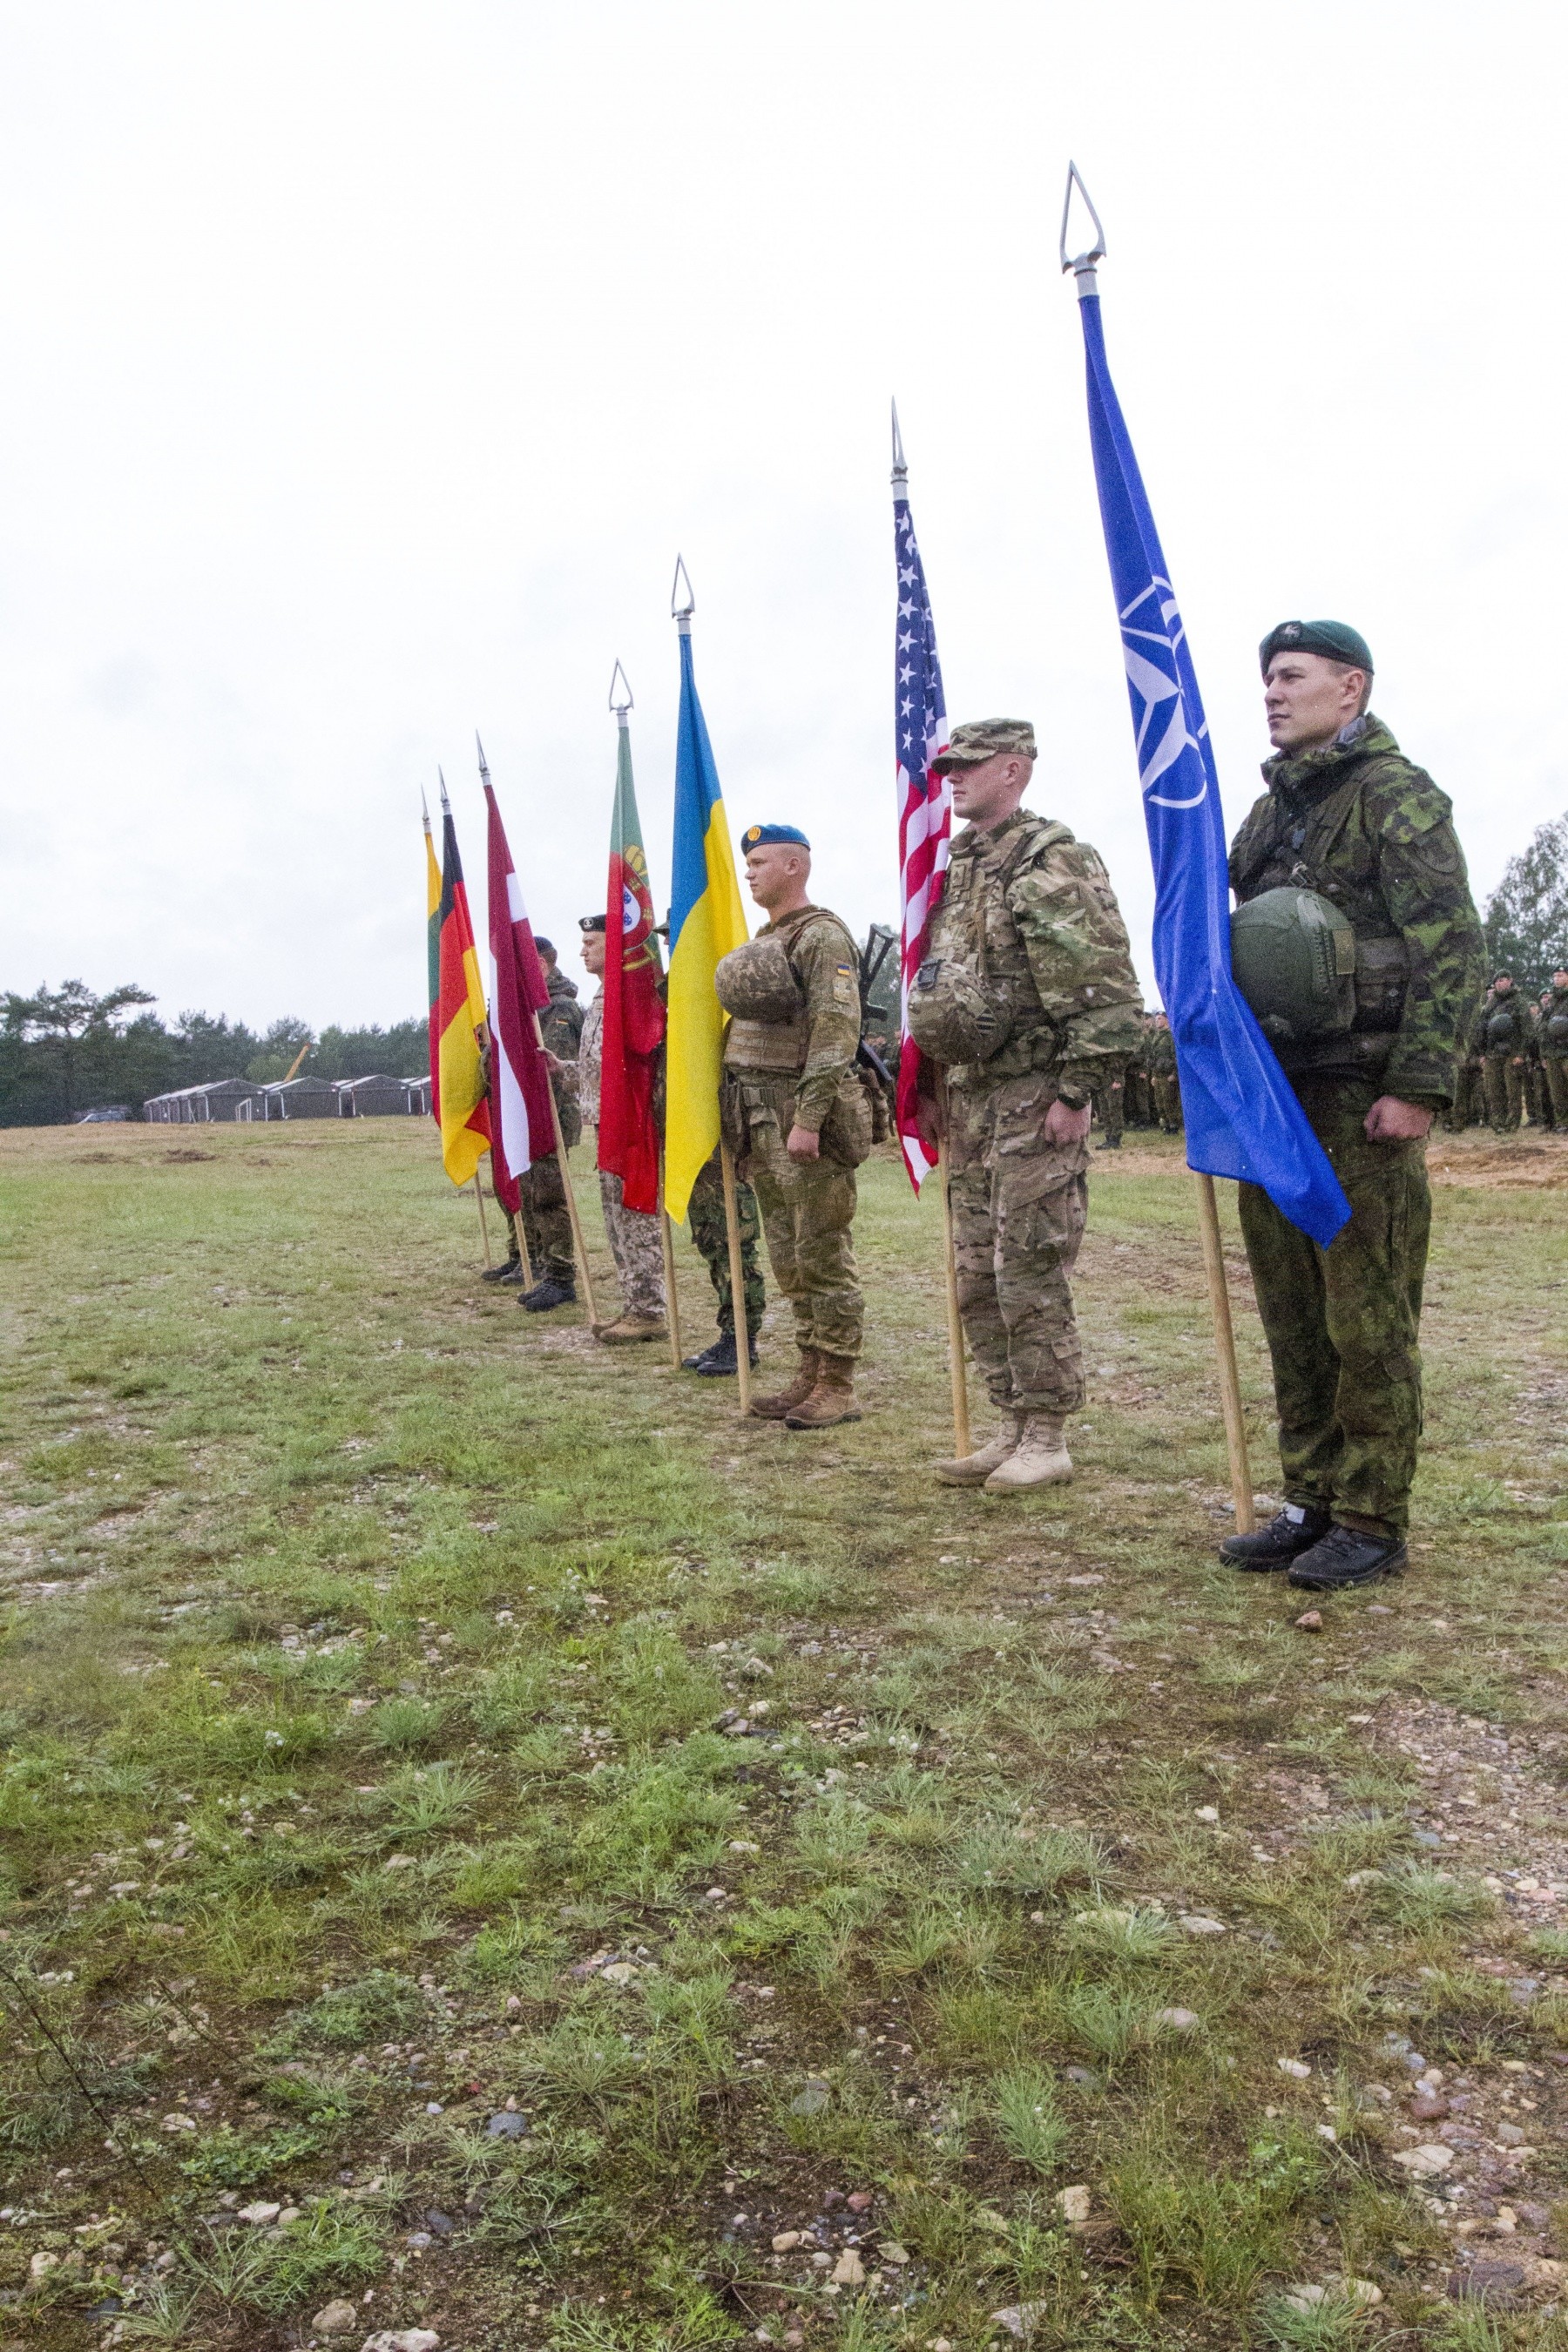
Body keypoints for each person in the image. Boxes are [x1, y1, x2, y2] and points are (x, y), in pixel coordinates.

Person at [1221, 620, 1484, 1592]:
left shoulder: (1394, 796)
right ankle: (1310, 1501)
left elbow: (1449, 945)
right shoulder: (1266, 813)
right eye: (1268, 680)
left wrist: (1419, 1086)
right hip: (1276, 1102)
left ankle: (1373, 1515)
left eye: (1292, 677)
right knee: (1292, 1311)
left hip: (1360, 1096)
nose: (1273, 693)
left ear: (1351, 687)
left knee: (1365, 1316)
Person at [905, 719, 1142, 1491]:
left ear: (1015, 770)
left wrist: (1076, 1093)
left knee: (1028, 1264)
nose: (953, 777)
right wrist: (937, 1087)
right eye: (949, 766)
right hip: (974, 1099)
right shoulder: (965, 867)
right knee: (975, 1270)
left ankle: (1048, 1431)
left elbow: (1107, 992)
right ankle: (1009, 1421)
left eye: (969, 765)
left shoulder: (1051, 860)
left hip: (1036, 1096)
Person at [716, 823, 869, 1429]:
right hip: (759, 1118)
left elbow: (836, 1031)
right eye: (747, 862)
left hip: (801, 1122)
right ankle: (808, 1371)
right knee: (787, 1255)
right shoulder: (770, 937)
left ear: (794, 867)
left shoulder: (823, 936)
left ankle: (838, 1382)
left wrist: (807, 1120)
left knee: (822, 1250)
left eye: (759, 862)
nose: (748, 871)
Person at [574, 916, 667, 1342]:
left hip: (631, 1122)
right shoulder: (600, 997)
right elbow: (602, 1063)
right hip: (604, 1121)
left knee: (635, 1217)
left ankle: (649, 1310)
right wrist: (564, 1069)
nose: (582, 951)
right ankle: (633, 1304)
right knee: (615, 1220)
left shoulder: (630, 995)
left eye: (591, 943)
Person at [517, 936, 585, 1312]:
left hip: (554, 1116)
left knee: (550, 1197)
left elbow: (562, 1068)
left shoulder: (562, 1009)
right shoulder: (530, 1008)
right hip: (531, 1115)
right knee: (532, 1194)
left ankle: (560, 1276)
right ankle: (545, 1268)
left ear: (541, 964)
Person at [683, 1150, 765, 1375]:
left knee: (736, 1254)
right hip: (702, 1161)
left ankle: (743, 1340)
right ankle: (730, 1334)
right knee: (713, 1248)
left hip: (728, 1151)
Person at [1481, 972, 1530, 1133]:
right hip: (1492, 1053)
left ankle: (1512, 1124)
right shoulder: (1490, 1003)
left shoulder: (1519, 1002)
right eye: (1496, 981)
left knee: (1512, 1091)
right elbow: (1482, 1028)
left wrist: (1521, 1054)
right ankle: (1498, 1123)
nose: (1499, 984)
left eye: (1502, 980)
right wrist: (1482, 1053)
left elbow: (1527, 1030)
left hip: (1512, 1052)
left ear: (1510, 981)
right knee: (1494, 1091)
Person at [1542, 967, 1568, 1132]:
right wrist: (1544, 1053)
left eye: (1561, 975)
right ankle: (1563, 1123)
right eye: (1555, 976)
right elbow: (1543, 1028)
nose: (1557, 978)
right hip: (1552, 1052)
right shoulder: (1551, 1001)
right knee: (1557, 1092)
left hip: (1567, 1050)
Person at [1146, 1010, 1181, 1132]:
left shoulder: (1170, 1035)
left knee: (1169, 1101)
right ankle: (1165, 1124)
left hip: (1168, 1074)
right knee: (1159, 1102)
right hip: (1158, 1073)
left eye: (1160, 1019)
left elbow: (1175, 1056)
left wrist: (1174, 1074)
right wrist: (1153, 1075)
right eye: (1156, 1019)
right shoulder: (1156, 1036)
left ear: (1166, 1019)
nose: (1157, 1021)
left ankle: (1173, 1124)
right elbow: (1154, 1057)